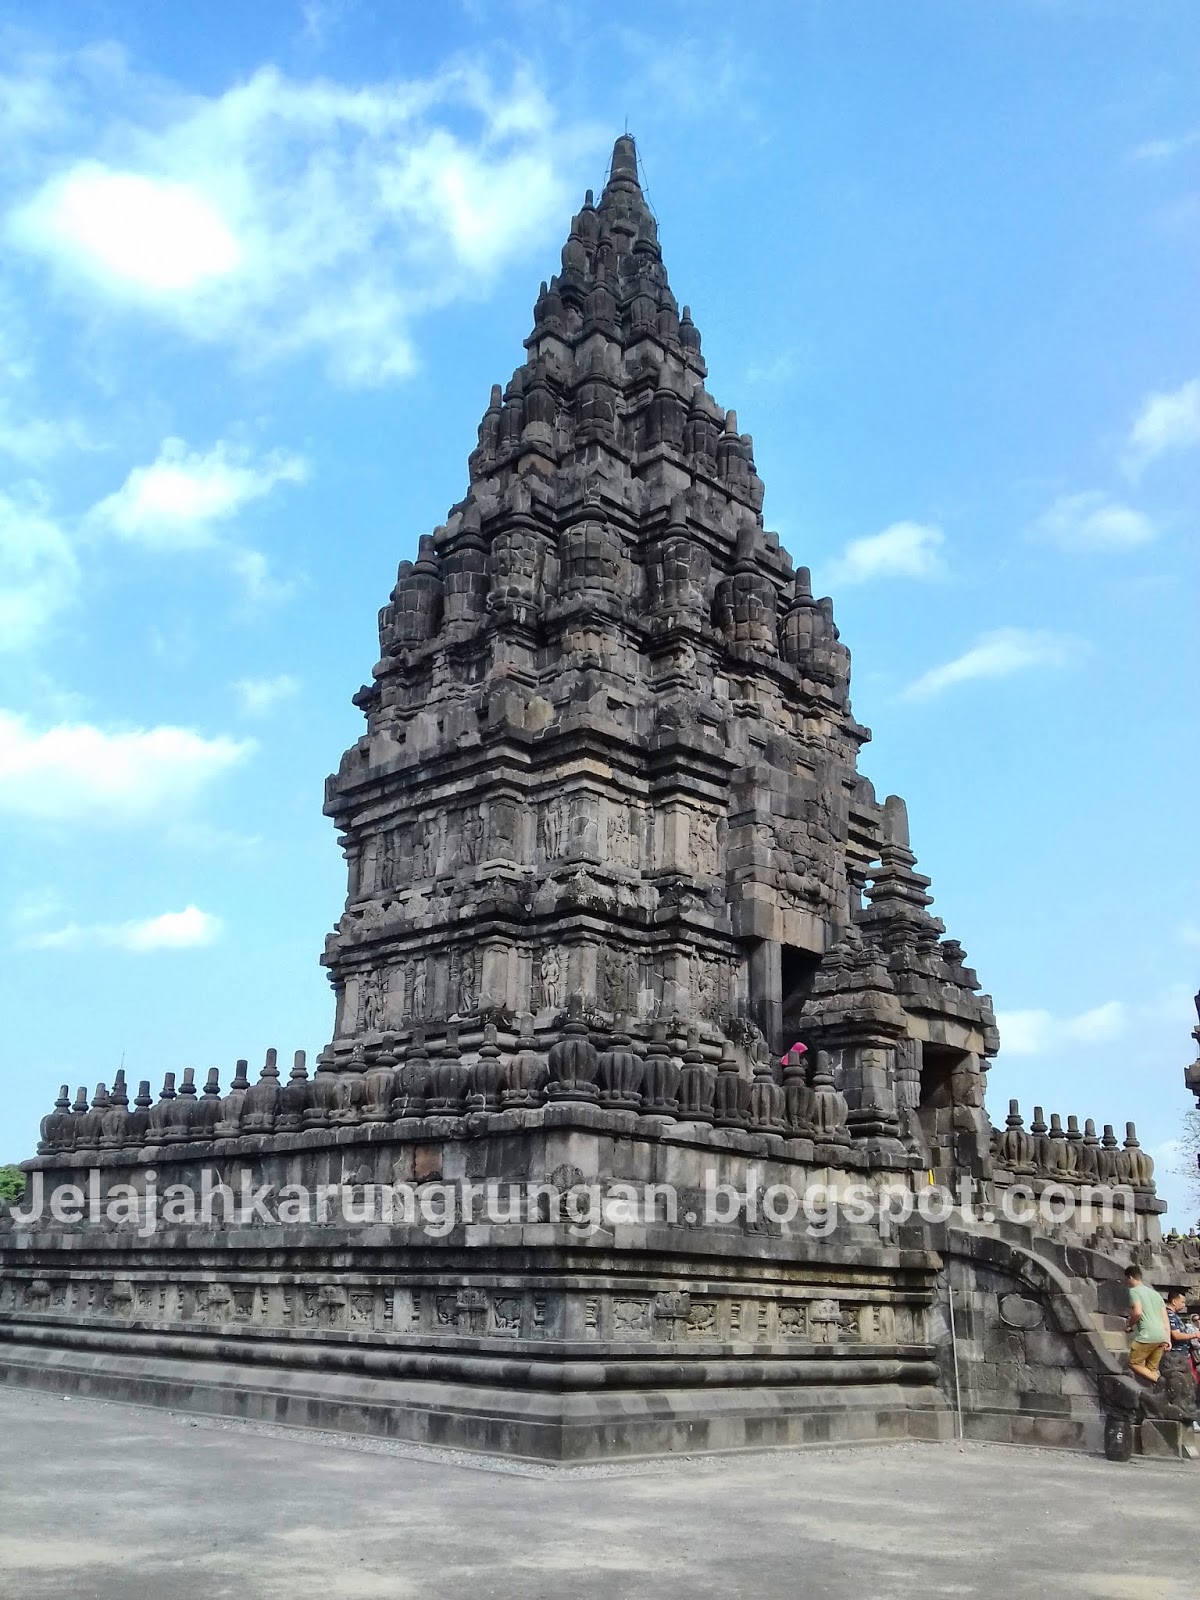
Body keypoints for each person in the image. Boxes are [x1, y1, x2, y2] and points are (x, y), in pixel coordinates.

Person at [1124, 1264, 1171, 1382]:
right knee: (1152, 1369)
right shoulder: (1156, 1294)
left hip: (1148, 1335)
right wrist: (1168, 1338)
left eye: (1126, 1279)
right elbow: (1165, 1318)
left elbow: (1137, 1312)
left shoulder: (1134, 1291)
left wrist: (1129, 1324)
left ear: (1130, 1278)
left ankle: (1160, 1382)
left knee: (1133, 1363)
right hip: (1161, 1335)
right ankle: (1158, 1386)